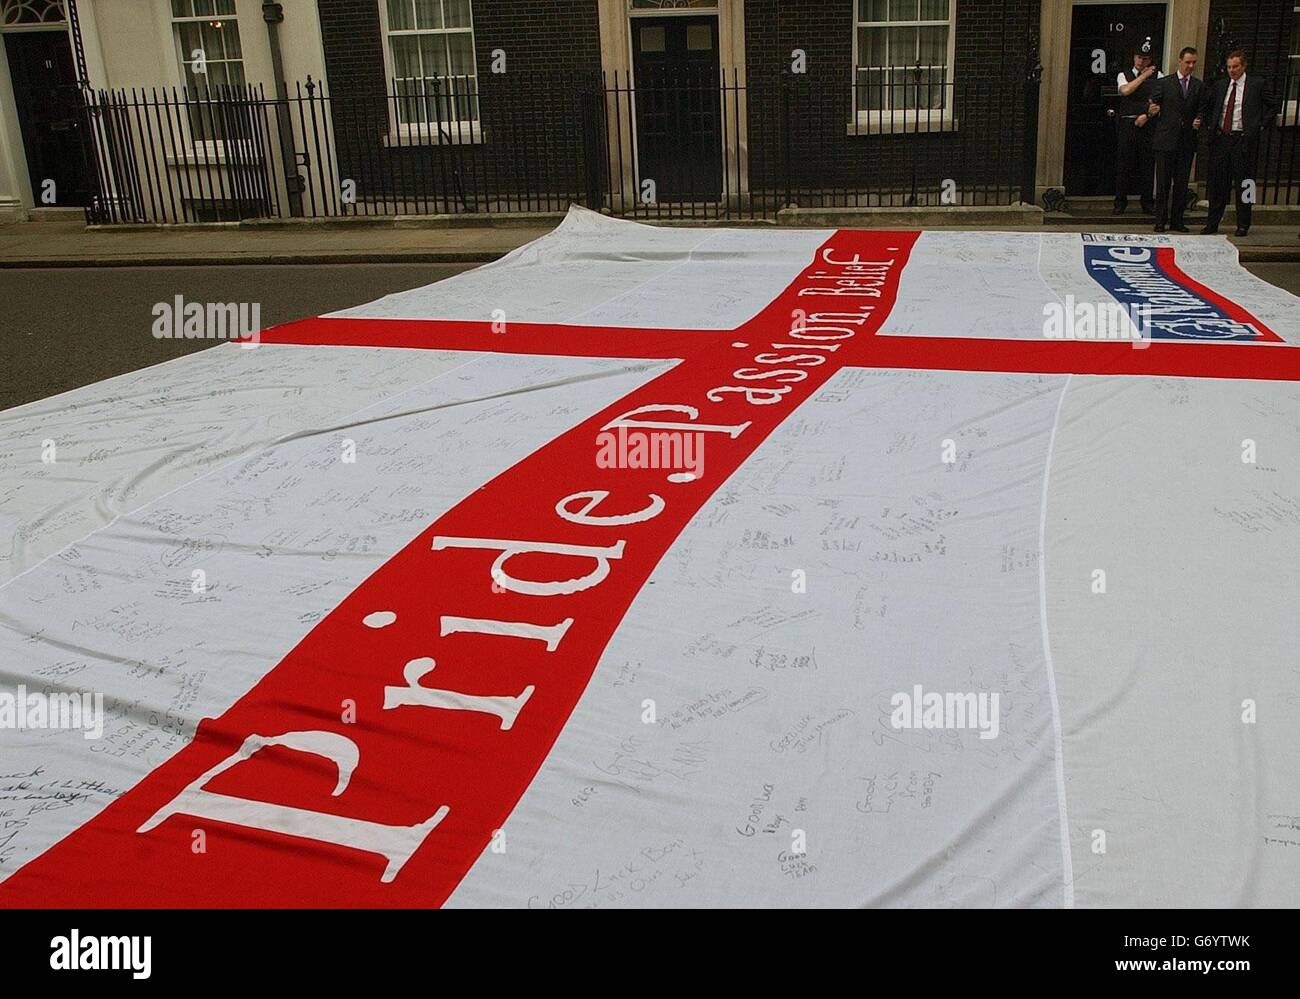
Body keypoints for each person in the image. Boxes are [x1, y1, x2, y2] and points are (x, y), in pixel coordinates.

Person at [1202, 50, 1278, 237]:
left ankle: (1244, 223)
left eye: (1235, 66)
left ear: (1243, 66)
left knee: (1246, 184)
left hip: (1244, 140)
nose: (1232, 70)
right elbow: (1209, 106)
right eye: (1229, 67)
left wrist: (1260, 125)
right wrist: (1211, 126)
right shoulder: (1220, 85)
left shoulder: (1256, 84)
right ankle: (1213, 223)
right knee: (1218, 183)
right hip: (1222, 139)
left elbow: (1274, 104)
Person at [1147, 46, 1205, 232]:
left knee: (1181, 183)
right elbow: (1152, 103)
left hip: (1186, 140)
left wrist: (1199, 119)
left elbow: (1202, 108)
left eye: (1193, 62)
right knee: (1163, 183)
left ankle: (1177, 220)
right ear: (1180, 61)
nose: (1190, 66)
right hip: (1165, 140)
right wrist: (1151, 110)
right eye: (1188, 62)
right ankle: (1160, 220)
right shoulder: (1165, 83)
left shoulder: (1198, 86)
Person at [1114, 38, 1161, 215]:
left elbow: (1159, 102)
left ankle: (1147, 202)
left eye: (1146, 59)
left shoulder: (1160, 76)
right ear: (1134, 57)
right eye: (1139, 58)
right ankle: (1120, 202)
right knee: (1124, 164)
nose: (1142, 62)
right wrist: (1144, 76)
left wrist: (1147, 116)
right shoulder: (1124, 75)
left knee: (1147, 165)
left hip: (1148, 125)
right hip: (1127, 124)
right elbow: (1126, 91)